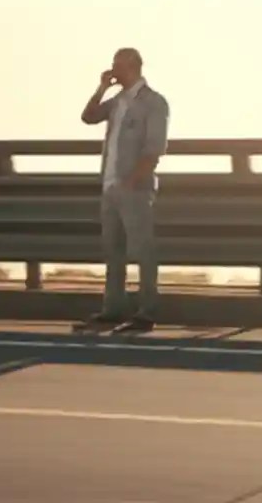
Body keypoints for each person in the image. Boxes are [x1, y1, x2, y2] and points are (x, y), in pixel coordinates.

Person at [77, 47, 170, 333]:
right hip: (110, 185)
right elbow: (89, 116)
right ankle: (113, 309)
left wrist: (134, 180)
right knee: (113, 251)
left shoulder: (153, 102)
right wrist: (101, 87)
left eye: (118, 66)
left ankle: (147, 310)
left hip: (135, 187)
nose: (114, 70)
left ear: (133, 66)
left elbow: (155, 147)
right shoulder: (117, 101)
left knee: (142, 250)